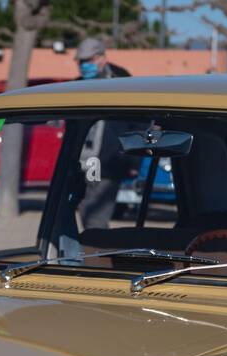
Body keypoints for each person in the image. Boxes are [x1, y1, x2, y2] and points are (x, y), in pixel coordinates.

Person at [73, 38, 131, 230]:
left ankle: (98, 255)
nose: (84, 66)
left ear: (102, 58)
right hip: (82, 161)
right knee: (79, 210)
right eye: (81, 62)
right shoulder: (77, 86)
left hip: (105, 161)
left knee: (93, 213)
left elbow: (136, 122)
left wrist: (132, 159)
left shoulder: (123, 82)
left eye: (88, 60)